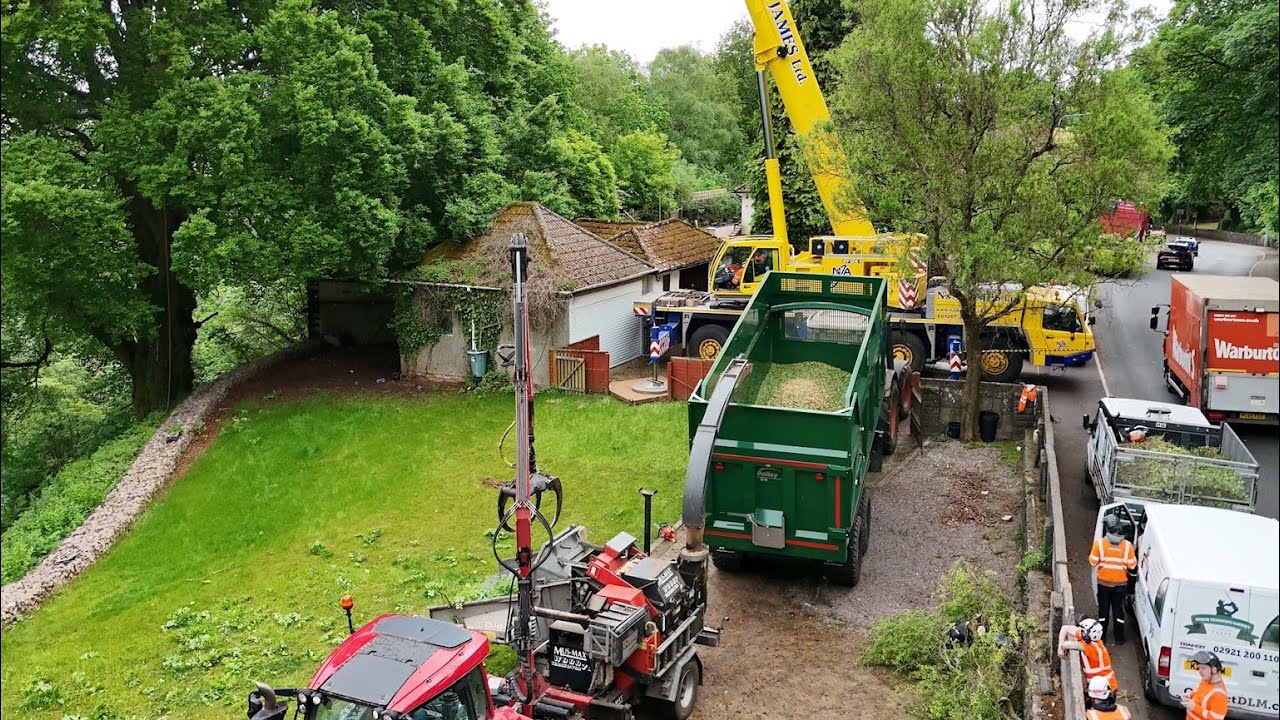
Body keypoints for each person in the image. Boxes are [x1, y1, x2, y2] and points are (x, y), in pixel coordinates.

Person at [1090, 514, 1137, 643]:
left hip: (1103, 584)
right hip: (1120, 586)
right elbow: (1133, 565)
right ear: (1119, 528)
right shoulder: (1127, 546)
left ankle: (1101, 637)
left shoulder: (1099, 544)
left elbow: (1093, 561)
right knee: (1118, 611)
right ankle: (1119, 638)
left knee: (1103, 611)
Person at [1058, 617, 1118, 698]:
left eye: (1082, 631)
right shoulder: (1091, 641)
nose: (1080, 632)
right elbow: (1065, 628)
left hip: (1106, 688)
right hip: (1099, 685)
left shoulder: (1092, 647)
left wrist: (1061, 646)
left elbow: (1067, 644)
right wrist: (1060, 646)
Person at [1183, 650, 1229, 720]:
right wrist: (1191, 695)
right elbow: (1200, 692)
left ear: (1214, 670)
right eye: (1199, 668)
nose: (1200, 671)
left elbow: (1216, 718)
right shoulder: (1206, 680)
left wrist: (1194, 707)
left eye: (1203, 668)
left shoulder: (1219, 695)